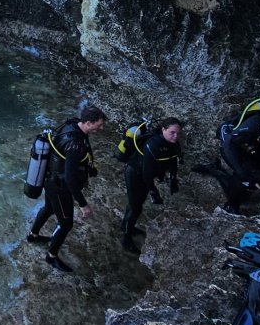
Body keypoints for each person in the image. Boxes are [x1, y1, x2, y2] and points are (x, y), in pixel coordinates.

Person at [26, 104, 106, 272]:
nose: (101, 128)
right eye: (99, 125)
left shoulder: (72, 125)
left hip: (50, 179)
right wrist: (83, 204)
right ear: (88, 123)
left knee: (49, 208)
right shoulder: (75, 145)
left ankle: (33, 236)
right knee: (66, 224)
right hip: (59, 188)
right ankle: (51, 256)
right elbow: (70, 179)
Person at [120, 118, 183, 253]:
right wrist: (154, 192)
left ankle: (126, 226)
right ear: (163, 130)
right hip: (135, 174)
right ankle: (126, 238)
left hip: (146, 176)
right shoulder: (152, 144)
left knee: (136, 204)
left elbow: (173, 161)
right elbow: (146, 174)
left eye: (178, 133)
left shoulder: (174, 144)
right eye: (172, 132)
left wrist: (173, 180)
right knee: (135, 207)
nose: (175, 136)